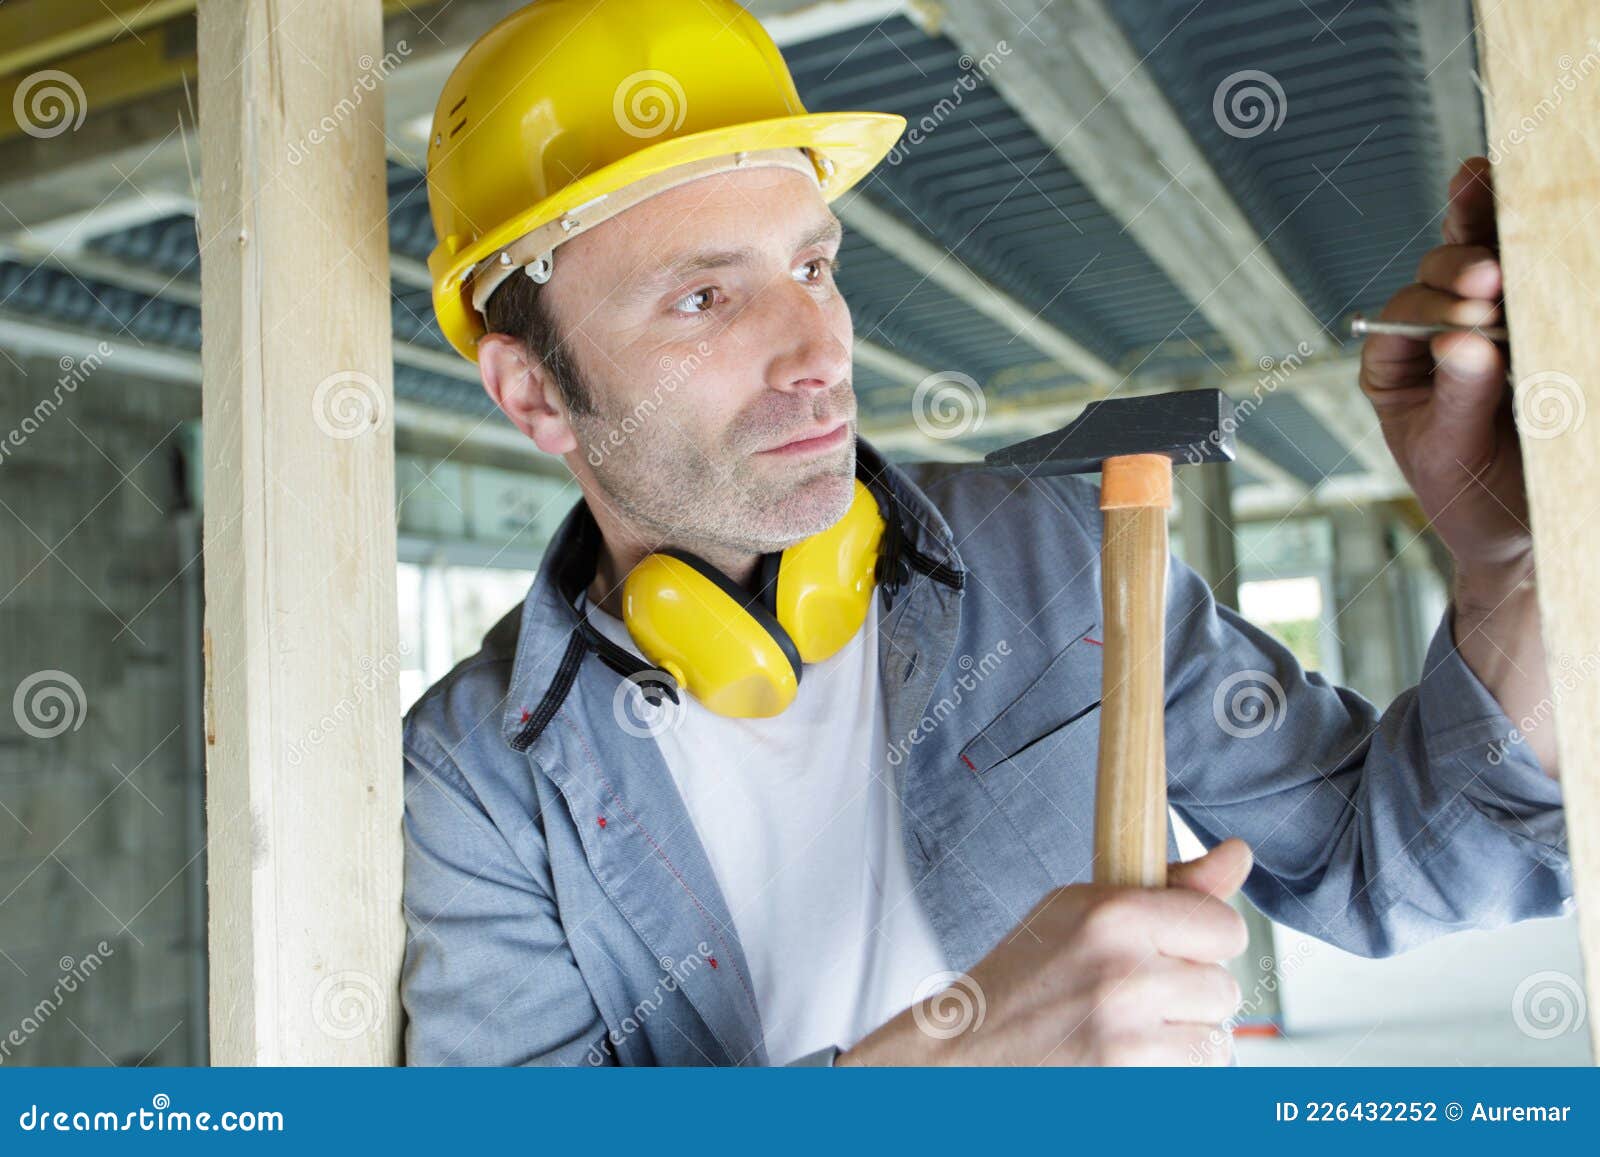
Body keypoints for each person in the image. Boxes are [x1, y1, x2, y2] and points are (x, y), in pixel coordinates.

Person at [400, 0, 1568, 1066]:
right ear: (533, 393)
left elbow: (1394, 867)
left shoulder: (1052, 551)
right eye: (704, 297)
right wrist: (959, 1054)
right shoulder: (476, 769)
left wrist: (1508, 556)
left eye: (813, 264)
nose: (820, 353)